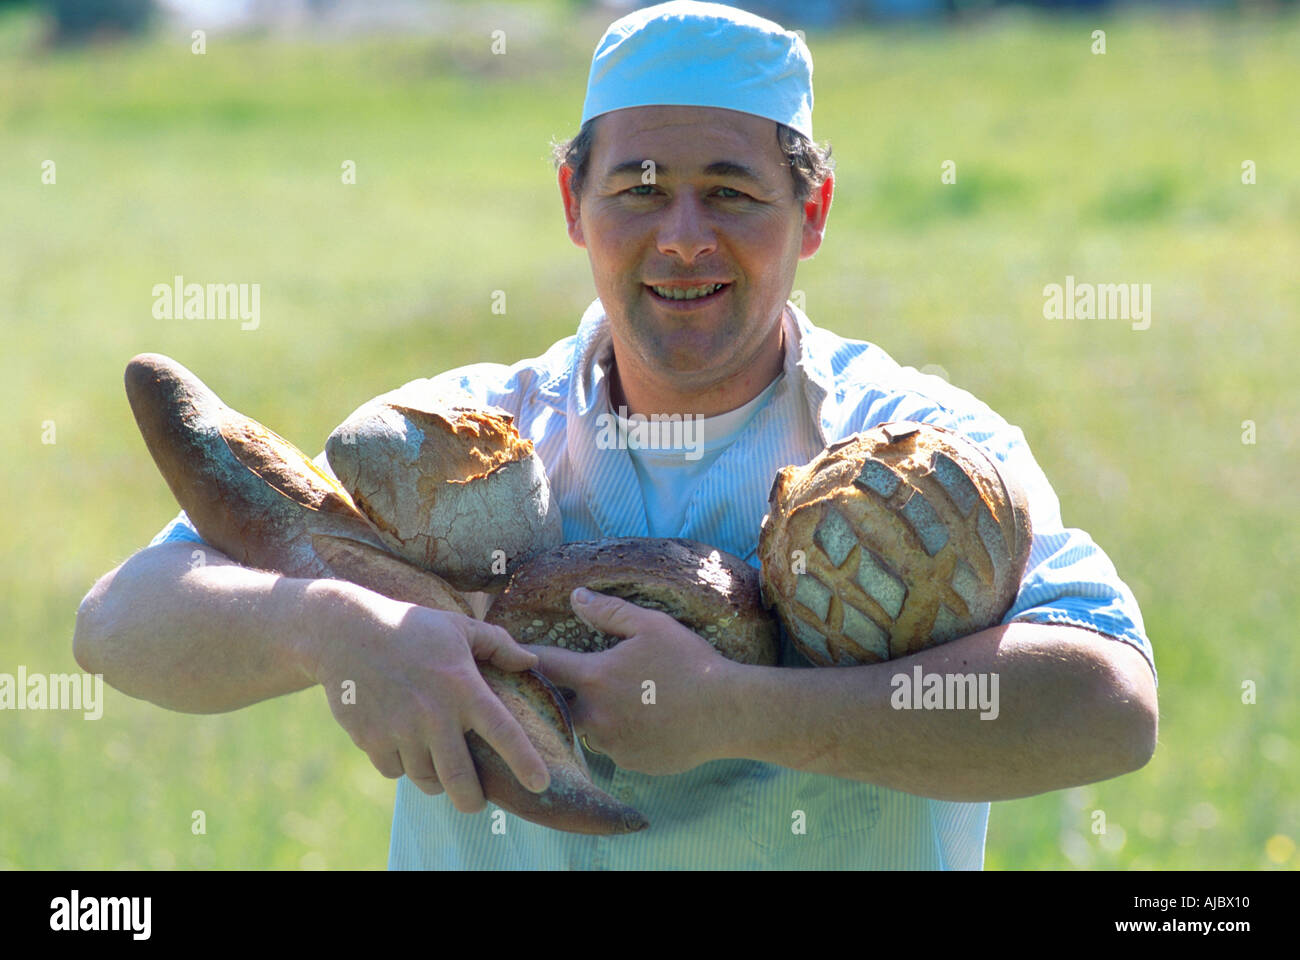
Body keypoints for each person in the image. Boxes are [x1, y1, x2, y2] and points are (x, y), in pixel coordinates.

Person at [75, 1, 1157, 869]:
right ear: (571, 199)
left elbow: (1109, 705)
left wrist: (747, 714)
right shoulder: (455, 444)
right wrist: (327, 630)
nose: (683, 240)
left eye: (730, 193)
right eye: (637, 191)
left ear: (813, 210)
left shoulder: (913, 454)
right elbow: (117, 626)